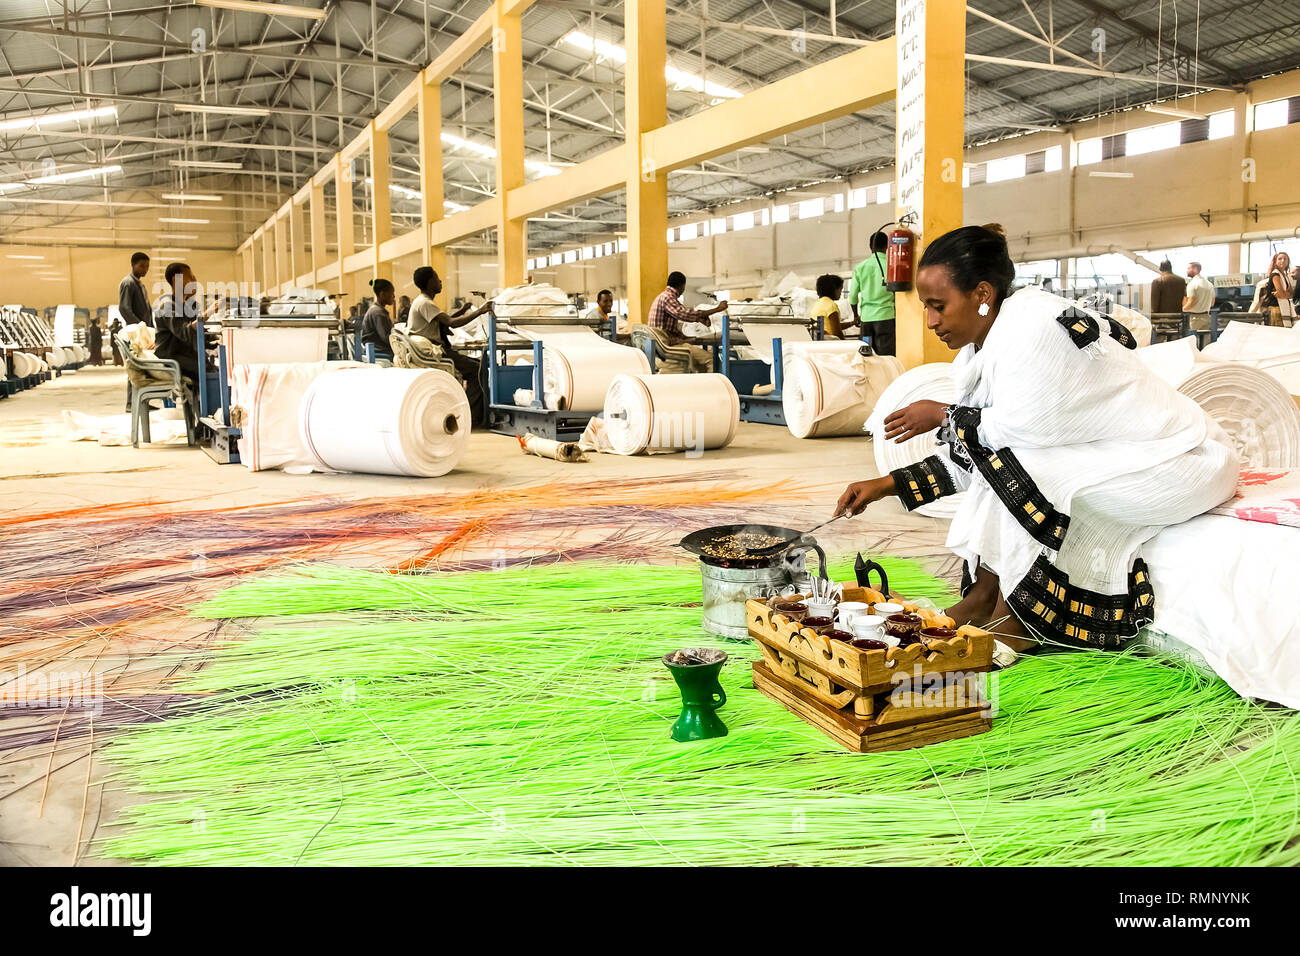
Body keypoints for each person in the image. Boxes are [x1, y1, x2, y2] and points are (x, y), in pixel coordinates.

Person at [833, 224, 1238, 652]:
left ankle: (1018, 620)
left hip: (1181, 462)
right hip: (1128, 454)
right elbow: (978, 450)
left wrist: (942, 413)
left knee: (1021, 464)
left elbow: (1018, 432)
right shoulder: (981, 351)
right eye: (926, 308)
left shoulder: (1032, 329)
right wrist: (883, 486)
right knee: (1006, 458)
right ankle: (981, 599)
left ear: (982, 294)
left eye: (938, 306)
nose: (931, 321)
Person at [408, 265, 493, 426]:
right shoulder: (425, 303)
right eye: (436, 278)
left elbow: (443, 319)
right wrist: (480, 311)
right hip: (436, 352)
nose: (440, 281)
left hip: (435, 349)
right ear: (428, 282)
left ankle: (474, 413)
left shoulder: (422, 303)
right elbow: (451, 323)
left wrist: (463, 311)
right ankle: (472, 417)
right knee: (478, 370)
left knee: (479, 365)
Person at [647, 271, 727, 371]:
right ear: (682, 286)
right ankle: (711, 385)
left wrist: (699, 319)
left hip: (661, 346)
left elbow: (683, 312)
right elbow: (685, 314)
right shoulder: (667, 298)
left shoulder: (663, 297)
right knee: (711, 359)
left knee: (698, 362)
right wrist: (717, 309)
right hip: (666, 347)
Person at [153, 262, 211, 382]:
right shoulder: (167, 306)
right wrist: (207, 314)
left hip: (184, 354)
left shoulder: (189, 306)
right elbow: (185, 332)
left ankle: (199, 400)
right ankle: (200, 400)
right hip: (172, 357)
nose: (195, 281)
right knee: (208, 370)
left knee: (213, 363)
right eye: (190, 277)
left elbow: (198, 332)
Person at [847, 231, 895, 355]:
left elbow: (852, 296)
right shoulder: (892, 266)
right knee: (886, 356)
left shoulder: (860, 267)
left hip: (867, 321)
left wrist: (856, 315)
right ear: (887, 246)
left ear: (870, 246)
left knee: (866, 353)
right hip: (886, 319)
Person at [361, 279, 396, 363]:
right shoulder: (378, 313)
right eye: (392, 293)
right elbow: (387, 338)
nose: (394, 296)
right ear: (382, 294)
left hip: (376, 349)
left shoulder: (376, 310)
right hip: (380, 352)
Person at [1257, 252, 1295, 326]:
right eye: (1280, 259)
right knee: (1278, 333)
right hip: (1275, 309)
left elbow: (1291, 294)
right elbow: (1282, 294)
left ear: (1288, 262)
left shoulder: (1285, 276)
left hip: (1283, 308)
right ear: (1275, 261)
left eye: (1285, 259)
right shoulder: (1275, 275)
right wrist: (1286, 294)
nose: (1283, 261)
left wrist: (1285, 294)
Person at [118, 252, 153, 327]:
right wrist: (139, 327)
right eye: (142, 266)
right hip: (137, 331)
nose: (145, 269)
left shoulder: (141, 285)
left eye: (147, 266)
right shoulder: (128, 283)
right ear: (133, 265)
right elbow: (124, 309)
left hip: (145, 329)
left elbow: (147, 310)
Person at [1182, 261, 1215, 332]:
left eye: (1188, 268)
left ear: (1195, 269)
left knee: (1193, 341)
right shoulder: (1210, 284)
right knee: (1205, 341)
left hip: (1194, 319)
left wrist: (1181, 310)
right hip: (1207, 318)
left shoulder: (1192, 284)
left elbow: (1191, 302)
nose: (1187, 270)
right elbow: (1212, 303)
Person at [812, 274, 848, 339]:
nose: (840, 293)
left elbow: (834, 326)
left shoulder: (817, 304)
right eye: (840, 289)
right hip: (831, 343)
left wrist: (852, 323)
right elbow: (837, 332)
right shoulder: (831, 305)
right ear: (833, 289)